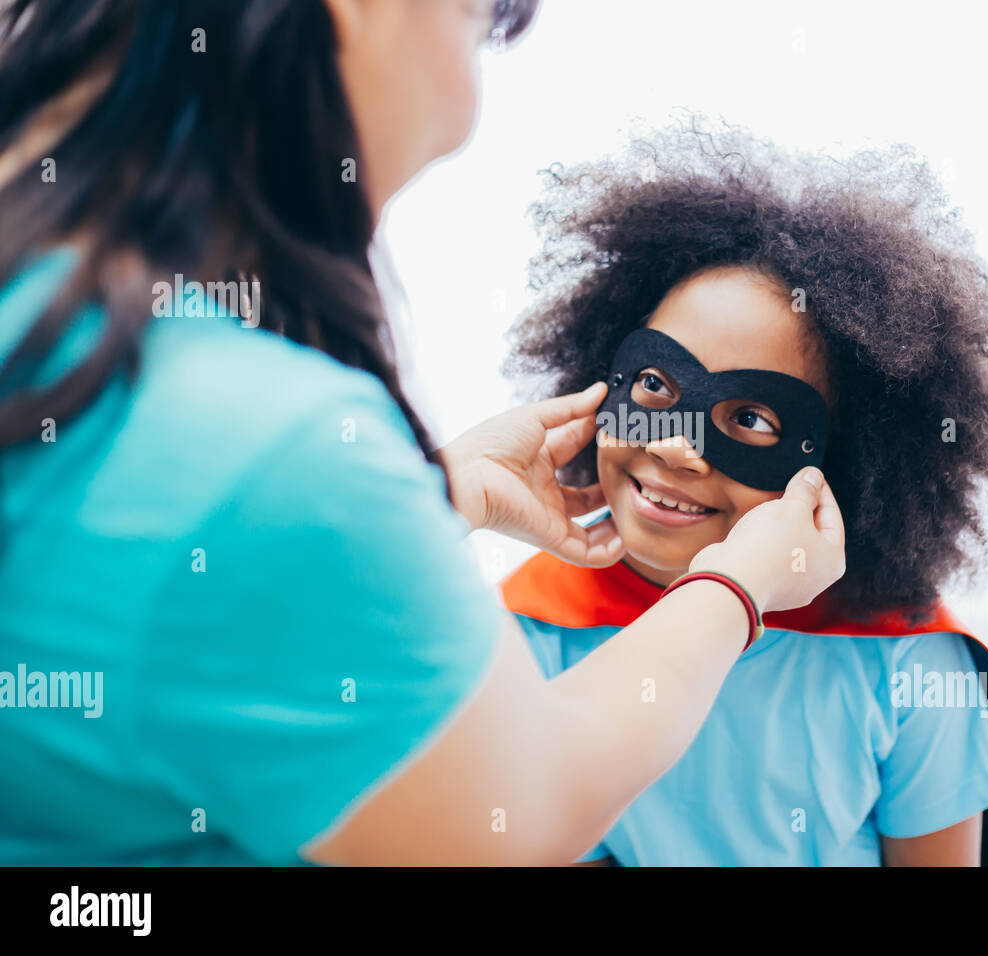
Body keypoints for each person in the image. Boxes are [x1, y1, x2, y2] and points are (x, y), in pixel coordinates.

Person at [0, 1, 844, 866]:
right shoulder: (273, 457)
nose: (470, 96)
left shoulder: (54, 328)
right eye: (480, 20)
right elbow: (517, 816)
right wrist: (736, 588)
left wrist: (431, 495)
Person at [502, 120, 988, 865]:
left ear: (850, 467)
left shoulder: (913, 670)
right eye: (653, 383)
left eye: (749, 418)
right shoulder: (537, 626)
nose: (676, 444)